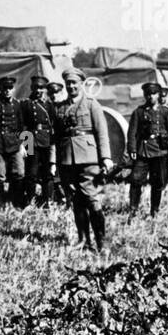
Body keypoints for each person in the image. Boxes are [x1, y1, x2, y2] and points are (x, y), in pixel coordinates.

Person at [54, 67, 114, 251]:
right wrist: (55, 162)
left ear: (81, 84)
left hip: (88, 158)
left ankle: (101, 242)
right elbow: (57, 137)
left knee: (91, 198)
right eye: (68, 83)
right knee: (76, 200)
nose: (71, 86)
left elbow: (101, 132)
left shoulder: (91, 104)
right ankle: (83, 240)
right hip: (67, 159)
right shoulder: (60, 107)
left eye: (74, 83)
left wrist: (106, 157)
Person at [125, 82, 168, 218]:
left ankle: (154, 210)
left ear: (159, 94)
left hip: (160, 152)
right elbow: (132, 132)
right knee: (135, 180)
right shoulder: (139, 112)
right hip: (143, 152)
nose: (150, 96)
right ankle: (133, 210)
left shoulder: (166, 111)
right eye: (148, 94)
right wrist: (132, 149)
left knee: (158, 182)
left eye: (153, 94)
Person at [0, 75, 31, 208]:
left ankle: (17, 203)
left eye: (10, 88)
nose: (7, 90)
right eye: (5, 88)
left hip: (14, 143)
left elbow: (21, 126)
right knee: (0, 175)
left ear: (13, 89)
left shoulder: (17, 105)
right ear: (0, 88)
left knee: (19, 173)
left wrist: (23, 145)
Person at [23, 75, 57, 207]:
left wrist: (52, 144)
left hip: (47, 140)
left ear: (45, 89)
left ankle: (48, 200)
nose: (38, 90)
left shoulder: (49, 105)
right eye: (36, 87)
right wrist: (24, 146)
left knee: (48, 173)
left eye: (41, 88)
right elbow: (23, 126)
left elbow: (53, 125)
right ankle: (30, 200)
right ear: (32, 88)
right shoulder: (26, 104)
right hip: (31, 140)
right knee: (31, 173)